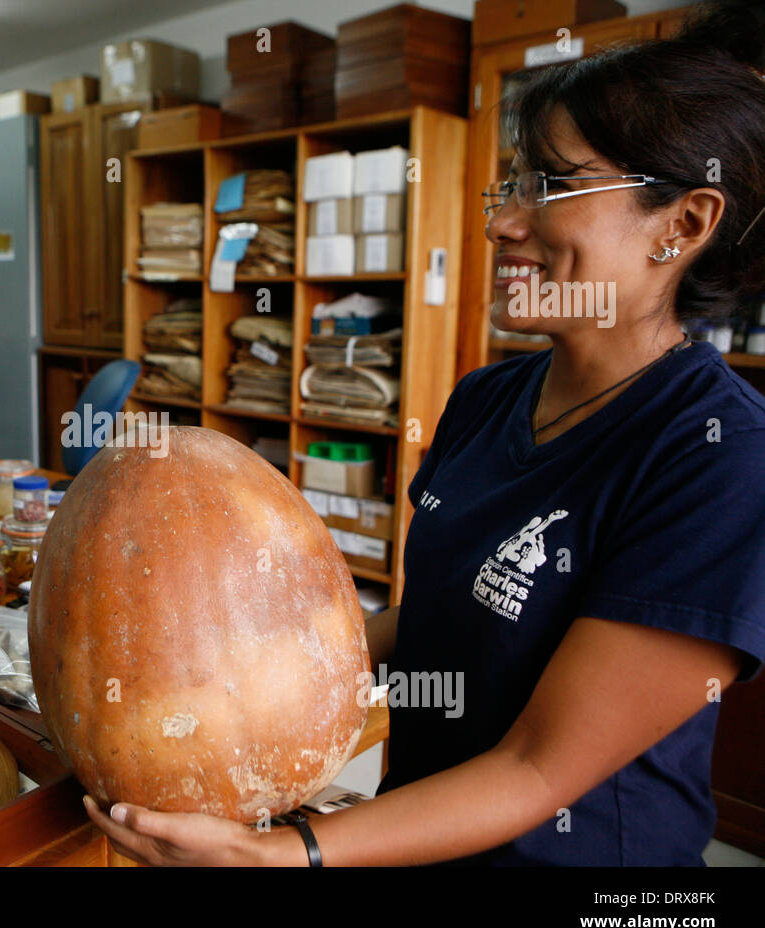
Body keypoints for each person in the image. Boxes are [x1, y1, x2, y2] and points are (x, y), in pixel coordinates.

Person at [84, 0, 765, 865]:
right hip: (418, 837)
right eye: (511, 183)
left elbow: (535, 768)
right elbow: (439, 619)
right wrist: (225, 669)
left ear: (685, 224)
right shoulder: (487, 399)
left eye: (550, 186)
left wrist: (286, 856)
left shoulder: (720, 456)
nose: (502, 223)